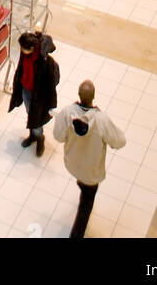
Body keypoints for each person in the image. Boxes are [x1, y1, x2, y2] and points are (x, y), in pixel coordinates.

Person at [53, 79, 126, 239]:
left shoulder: (66, 113)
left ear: (78, 95)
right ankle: (76, 234)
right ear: (94, 97)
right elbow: (120, 141)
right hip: (92, 171)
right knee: (86, 203)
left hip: (72, 163)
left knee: (83, 183)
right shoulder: (101, 120)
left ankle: (81, 185)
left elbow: (58, 136)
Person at [8, 30, 60, 157]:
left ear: (32, 48)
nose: (21, 51)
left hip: (39, 94)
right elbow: (21, 68)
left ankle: (39, 138)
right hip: (26, 89)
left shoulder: (45, 61)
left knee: (36, 119)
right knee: (30, 114)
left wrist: (52, 104)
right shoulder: (25, 53)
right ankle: (32, 135)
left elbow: (51, 84)